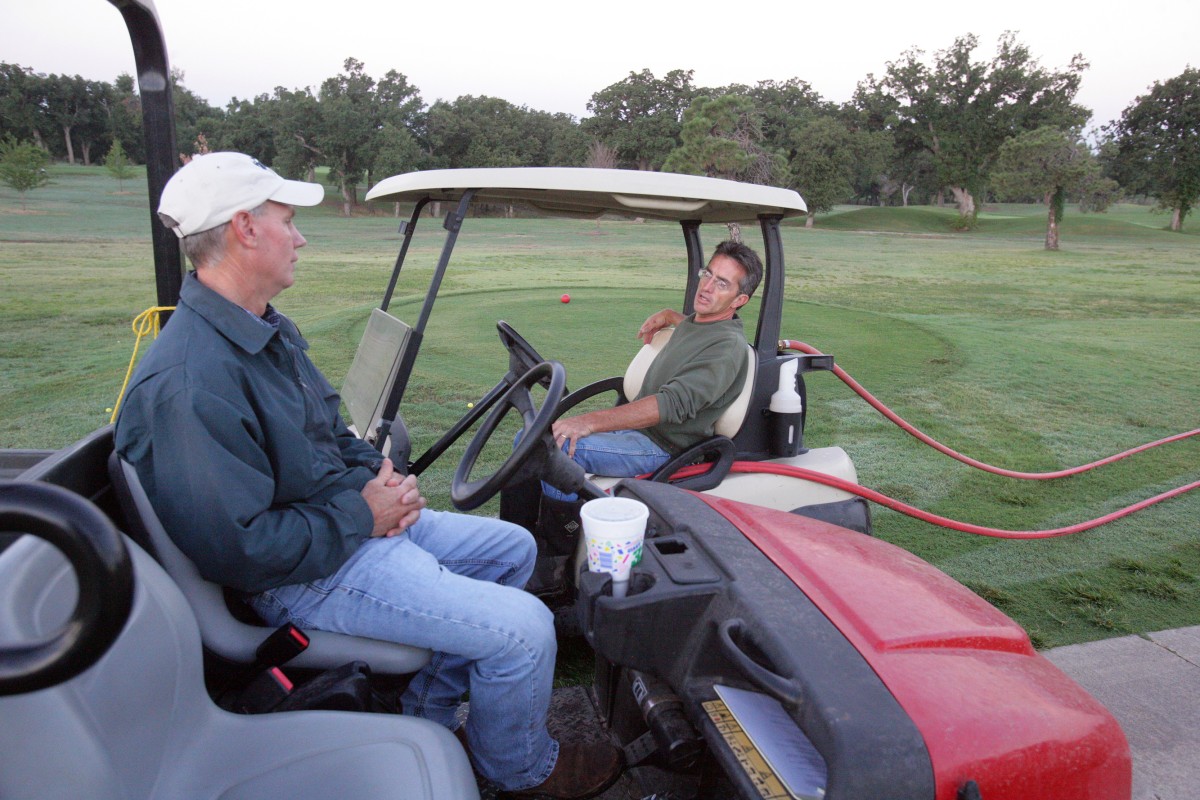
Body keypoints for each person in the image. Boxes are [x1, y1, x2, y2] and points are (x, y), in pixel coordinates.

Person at [114, 152, 621, 799]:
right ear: (244, 229)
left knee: (513, 547)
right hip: (302, 575)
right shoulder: (189, 384)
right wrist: (367, 514)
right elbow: (242, 551)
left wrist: (383, 478)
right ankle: (521, 769)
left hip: (344, 527)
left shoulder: (268, 331)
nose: (299, 237)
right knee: (523, 629)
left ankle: (430, 717)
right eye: (288, 221)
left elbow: (329, 431)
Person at [540, 240, 761, 502]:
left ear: (740, 299)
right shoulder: (702, 324)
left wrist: (588, 421)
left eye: (722, 283)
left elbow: (671, 404)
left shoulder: (726, 348)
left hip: (662, 447)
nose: (707, 287)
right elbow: (697, 333)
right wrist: (670, 315)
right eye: (708, 274)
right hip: (639, 434)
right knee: (538, 436)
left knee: (550, 448)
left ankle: (569, 531)